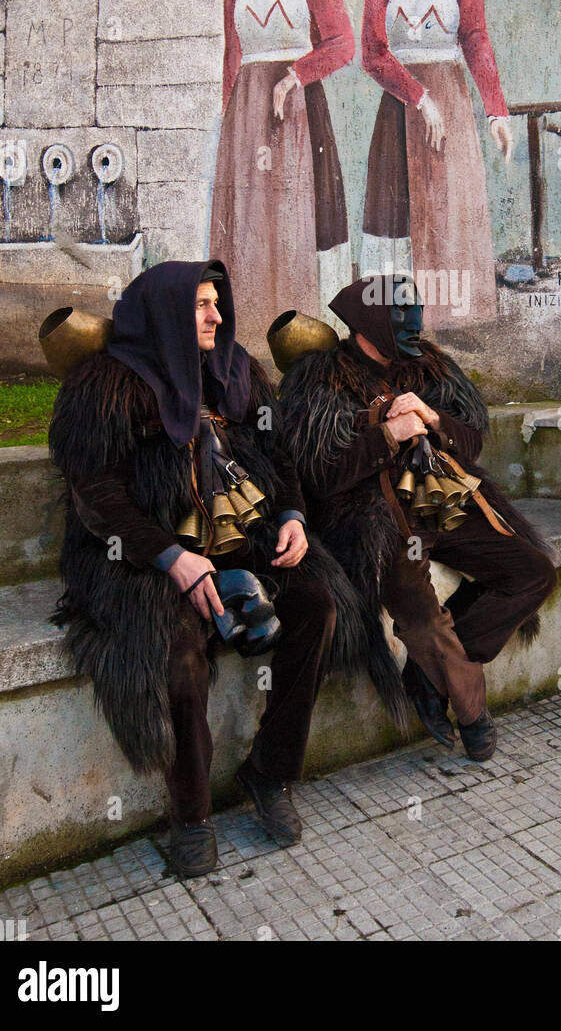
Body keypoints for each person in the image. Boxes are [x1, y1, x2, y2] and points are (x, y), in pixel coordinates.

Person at [48, 260, 366, 876]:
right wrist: (172, 559)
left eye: (217, 302)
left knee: (318, 605)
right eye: (200, 305)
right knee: (181, 647)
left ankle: (270, 773)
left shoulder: (235, 370)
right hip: (141, 549)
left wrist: (295, 515)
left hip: (239, 533)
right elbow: (97, 496)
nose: (217, 315)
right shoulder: (107, 384)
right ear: (164, 311)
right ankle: (190, 815)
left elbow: (278, 454)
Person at [278, 275, 557, 760]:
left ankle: (425, 675)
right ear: (369, 322)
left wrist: (431, 418)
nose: (416, 322)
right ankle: (472, 713)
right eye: (401, 313)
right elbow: (318, 474)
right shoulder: (322, 378)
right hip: (372, 519)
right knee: (419, 610)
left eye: (418, 309)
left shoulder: (430, 367)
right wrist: (387, 435)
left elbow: (471, 442)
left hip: (446, 502)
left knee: (533, 573)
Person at [209, 0, 354, 345]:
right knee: (247, 216)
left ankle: (300, 329)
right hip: (247, 109)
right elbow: (230, 54)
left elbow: (343, 43)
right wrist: (224, 112)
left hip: (297, 107)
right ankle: (247, 331)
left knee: (293, 213)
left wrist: (296, 74)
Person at [359, 0, 514, 327]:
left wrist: (496, 112)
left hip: (452, 104)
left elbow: (476, 43)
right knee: (396, 207)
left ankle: (451, 321)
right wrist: (418, 97)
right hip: (398, 109)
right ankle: (392, 320)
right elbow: (372, 54)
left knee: (446, 205)